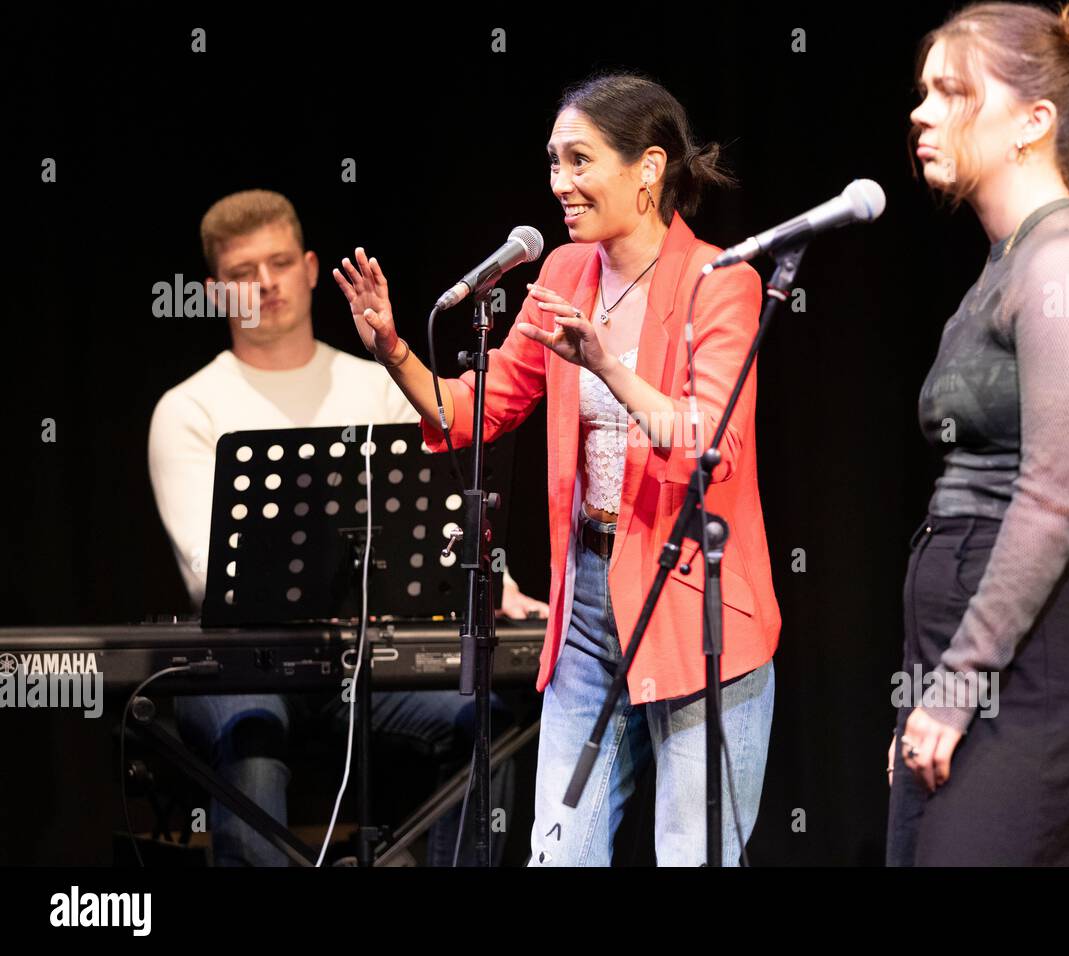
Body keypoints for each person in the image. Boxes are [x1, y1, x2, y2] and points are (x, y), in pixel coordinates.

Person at [333, 74, 781, 866]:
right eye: (552, 162)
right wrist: (395, 350)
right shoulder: (566, 275)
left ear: (648, 169)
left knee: (693, 857)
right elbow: (479, 412)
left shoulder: (722, 282)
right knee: (559, 855)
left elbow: (710, 440)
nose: (559, 185)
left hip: (693, 608)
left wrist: (612, 367)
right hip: (586, 607)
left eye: (579, 162)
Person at [148, 189, 544, 865]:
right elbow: (206, 570)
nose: (266, 285)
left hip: (359, 660)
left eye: (279, 263)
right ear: (216, 293)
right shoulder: (187, 408)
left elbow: (437, 524)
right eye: (245, 274)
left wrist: (499, 590)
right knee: (251, 731)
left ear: (308, 268)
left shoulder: (378, 386)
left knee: (481, 725)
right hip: (245, 666)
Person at [887, 1, 1069, 865]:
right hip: (963, 639)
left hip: (1044, 652)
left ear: (1033, 122)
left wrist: (955, 689)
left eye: (953, 91)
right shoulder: (1002, 267)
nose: (923, 112)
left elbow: (1050, 498)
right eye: (924, 91)